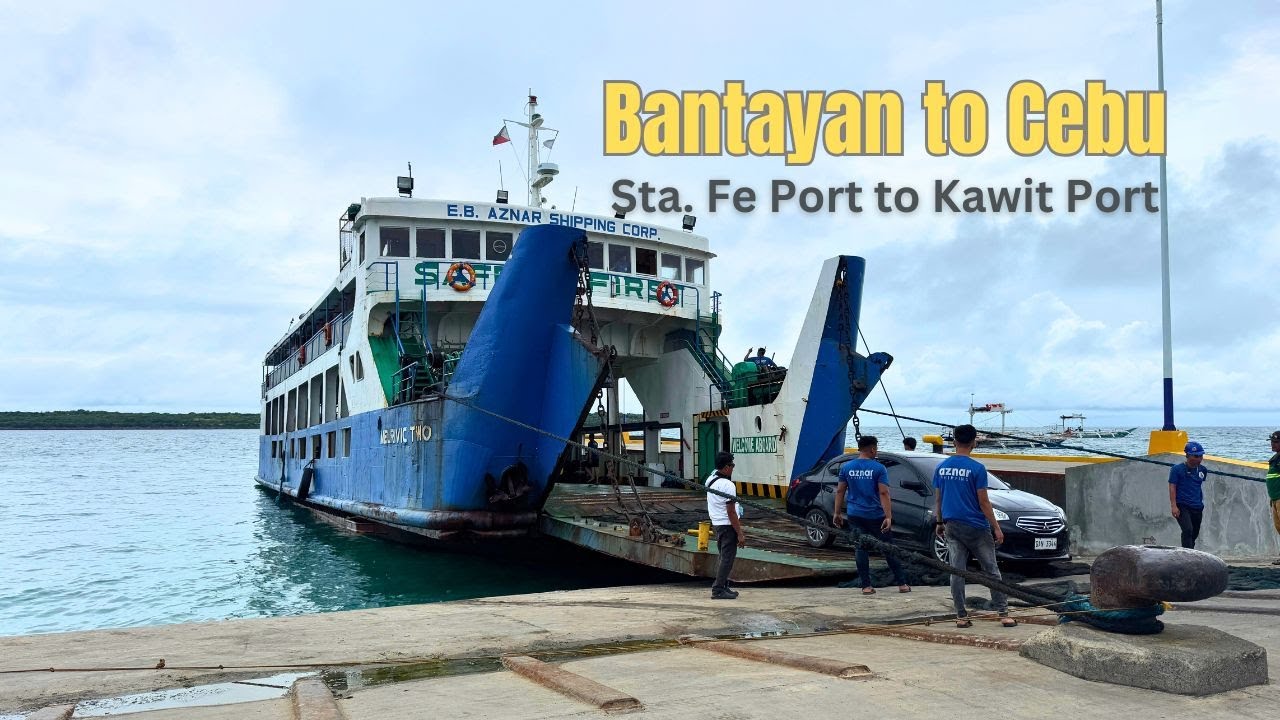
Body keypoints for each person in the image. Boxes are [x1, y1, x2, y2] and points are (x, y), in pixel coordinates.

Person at [933, 424, 1015, 628]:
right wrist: (996, 527)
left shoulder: (941, 467)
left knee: (957, 571)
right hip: (976, 527)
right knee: (991, 570)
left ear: (954, 442)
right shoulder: (977, 469)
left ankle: (961, 616)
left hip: (952, 525)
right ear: (974, 443)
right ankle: (1003, 613)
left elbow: (938, 498)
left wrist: (939, 522)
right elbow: (984, 502)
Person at [834, 435, 910, 594]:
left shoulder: (846, 468)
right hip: (876, 515)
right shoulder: (879, 468)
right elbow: (884, 493)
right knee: (888, 548)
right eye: (876, 448)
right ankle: (902, 584)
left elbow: (840, 491)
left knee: (861, 549)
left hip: (855, 514)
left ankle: (866, 586)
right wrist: (888, 516)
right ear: (873, 449)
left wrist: (837, 513)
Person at [705, 451, 744, 599]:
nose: (733, 468)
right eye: (732, 465)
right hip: (727, 526)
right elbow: (731, 512)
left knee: (723, 556)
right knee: (727, 559)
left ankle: (724, 586)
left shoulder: (710, 480)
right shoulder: (728, 485)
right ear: (727, 467)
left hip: (717, 523)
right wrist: (740, 533)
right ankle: (718, 590)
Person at [1169, 441, 1208, 549]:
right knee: (1187, 530)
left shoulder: (1203, 470)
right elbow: (1172, 486)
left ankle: (1190, 551)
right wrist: (1174, 506)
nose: (1199, 459)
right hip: (1182, 505)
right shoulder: (1177, 469)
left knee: (1194, 533)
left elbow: (1197, 486)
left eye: (1201, 456)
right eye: (1196, 456)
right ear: (1188, 455)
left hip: (1197, 506)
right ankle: (1186, 553)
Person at [1268, 431, 1280, 565]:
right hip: (1275, 498)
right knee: (1279, 527)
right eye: (1272, 442)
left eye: (1276, 442)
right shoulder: (1276, 458)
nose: (1273, 444)